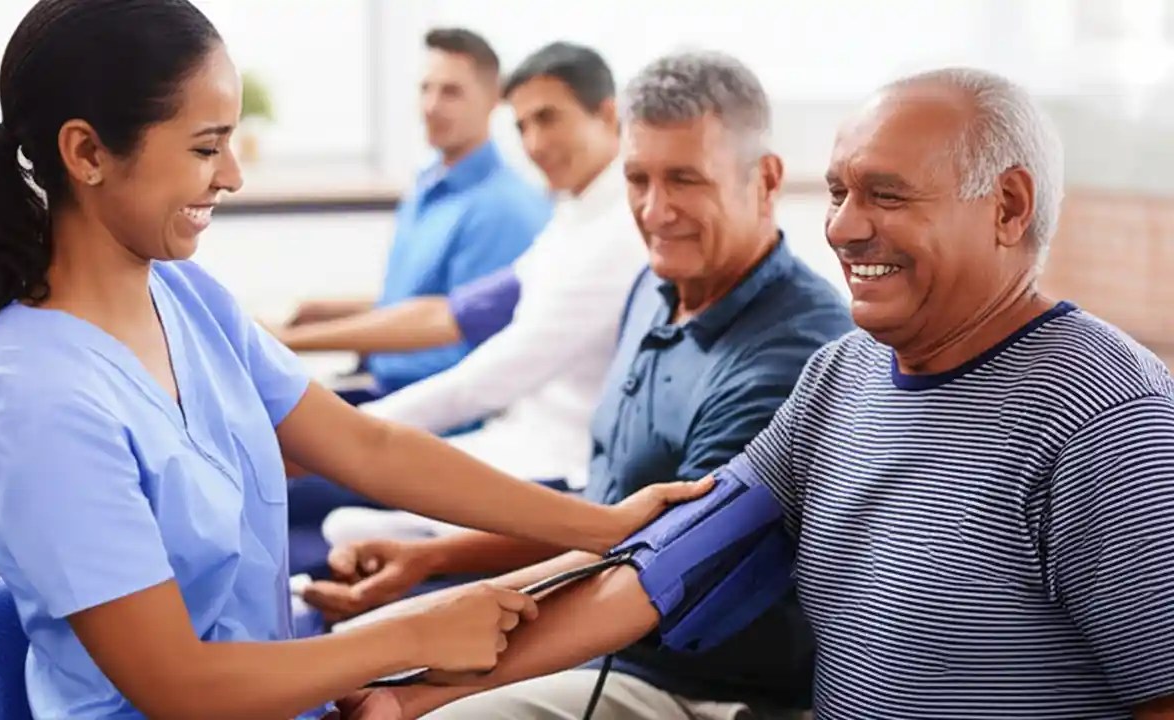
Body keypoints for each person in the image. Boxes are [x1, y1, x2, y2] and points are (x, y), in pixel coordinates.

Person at [0, 3, 710, 718]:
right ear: (87, 151)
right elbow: (178, 686)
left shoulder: (187, 297)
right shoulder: (35, 396)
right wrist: (406, 638)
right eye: (206, 147)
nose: (231, 175)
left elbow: (369, 445)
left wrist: (602, 524)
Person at [360, 67, 1174, 720]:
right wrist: (418, 691)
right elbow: (661, 566)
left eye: (886, 195)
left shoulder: (1110, 423)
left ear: (1008, 206)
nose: (843, 228)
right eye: (839, 192)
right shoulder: (841, 375)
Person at [310, 51, 854, 719]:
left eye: (685, 180)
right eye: (638, 179)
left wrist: (416, 669)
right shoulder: (655, 292)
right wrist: (433, 560)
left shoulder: (787, 353)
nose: (656, 211)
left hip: (694, 690)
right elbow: (611, 516)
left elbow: (647, 573)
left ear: (765, 179)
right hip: (601, 646)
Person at [290, 42, 649, 555]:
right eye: (523, 126)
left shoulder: (616, 232)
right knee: (313, 504)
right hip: (505, 440)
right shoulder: (573, 219)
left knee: (323, 522)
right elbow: (455, 311)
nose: (534, 143)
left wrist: (346, 438)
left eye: (549, 119)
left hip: (556, 468)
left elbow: (489, 377)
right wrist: (292, 338)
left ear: (607, 114)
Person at [283, 28, 551, 396]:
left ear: (494, 99)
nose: (431, 105)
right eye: (425, 88)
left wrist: (289, 340)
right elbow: (417, 300)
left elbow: (458, 334)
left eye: (451, 92)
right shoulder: (428, 185)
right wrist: (326, 311)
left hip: (424, 404)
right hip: (380, 380)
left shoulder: (503, 210)